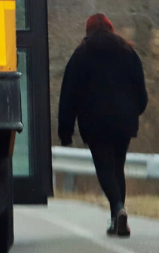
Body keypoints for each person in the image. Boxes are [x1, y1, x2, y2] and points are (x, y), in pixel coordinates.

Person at [58, 13, 149, 237]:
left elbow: (68, 95)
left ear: (88, 32)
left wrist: (65, 131)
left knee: (105, 168)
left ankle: (118, 209)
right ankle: (118, 219)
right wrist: (133, 112)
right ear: (111, 29)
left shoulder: (81, 55)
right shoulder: (129, 53)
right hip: (123, 123)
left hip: (94, 122)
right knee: (118, 167)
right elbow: (141, 94)